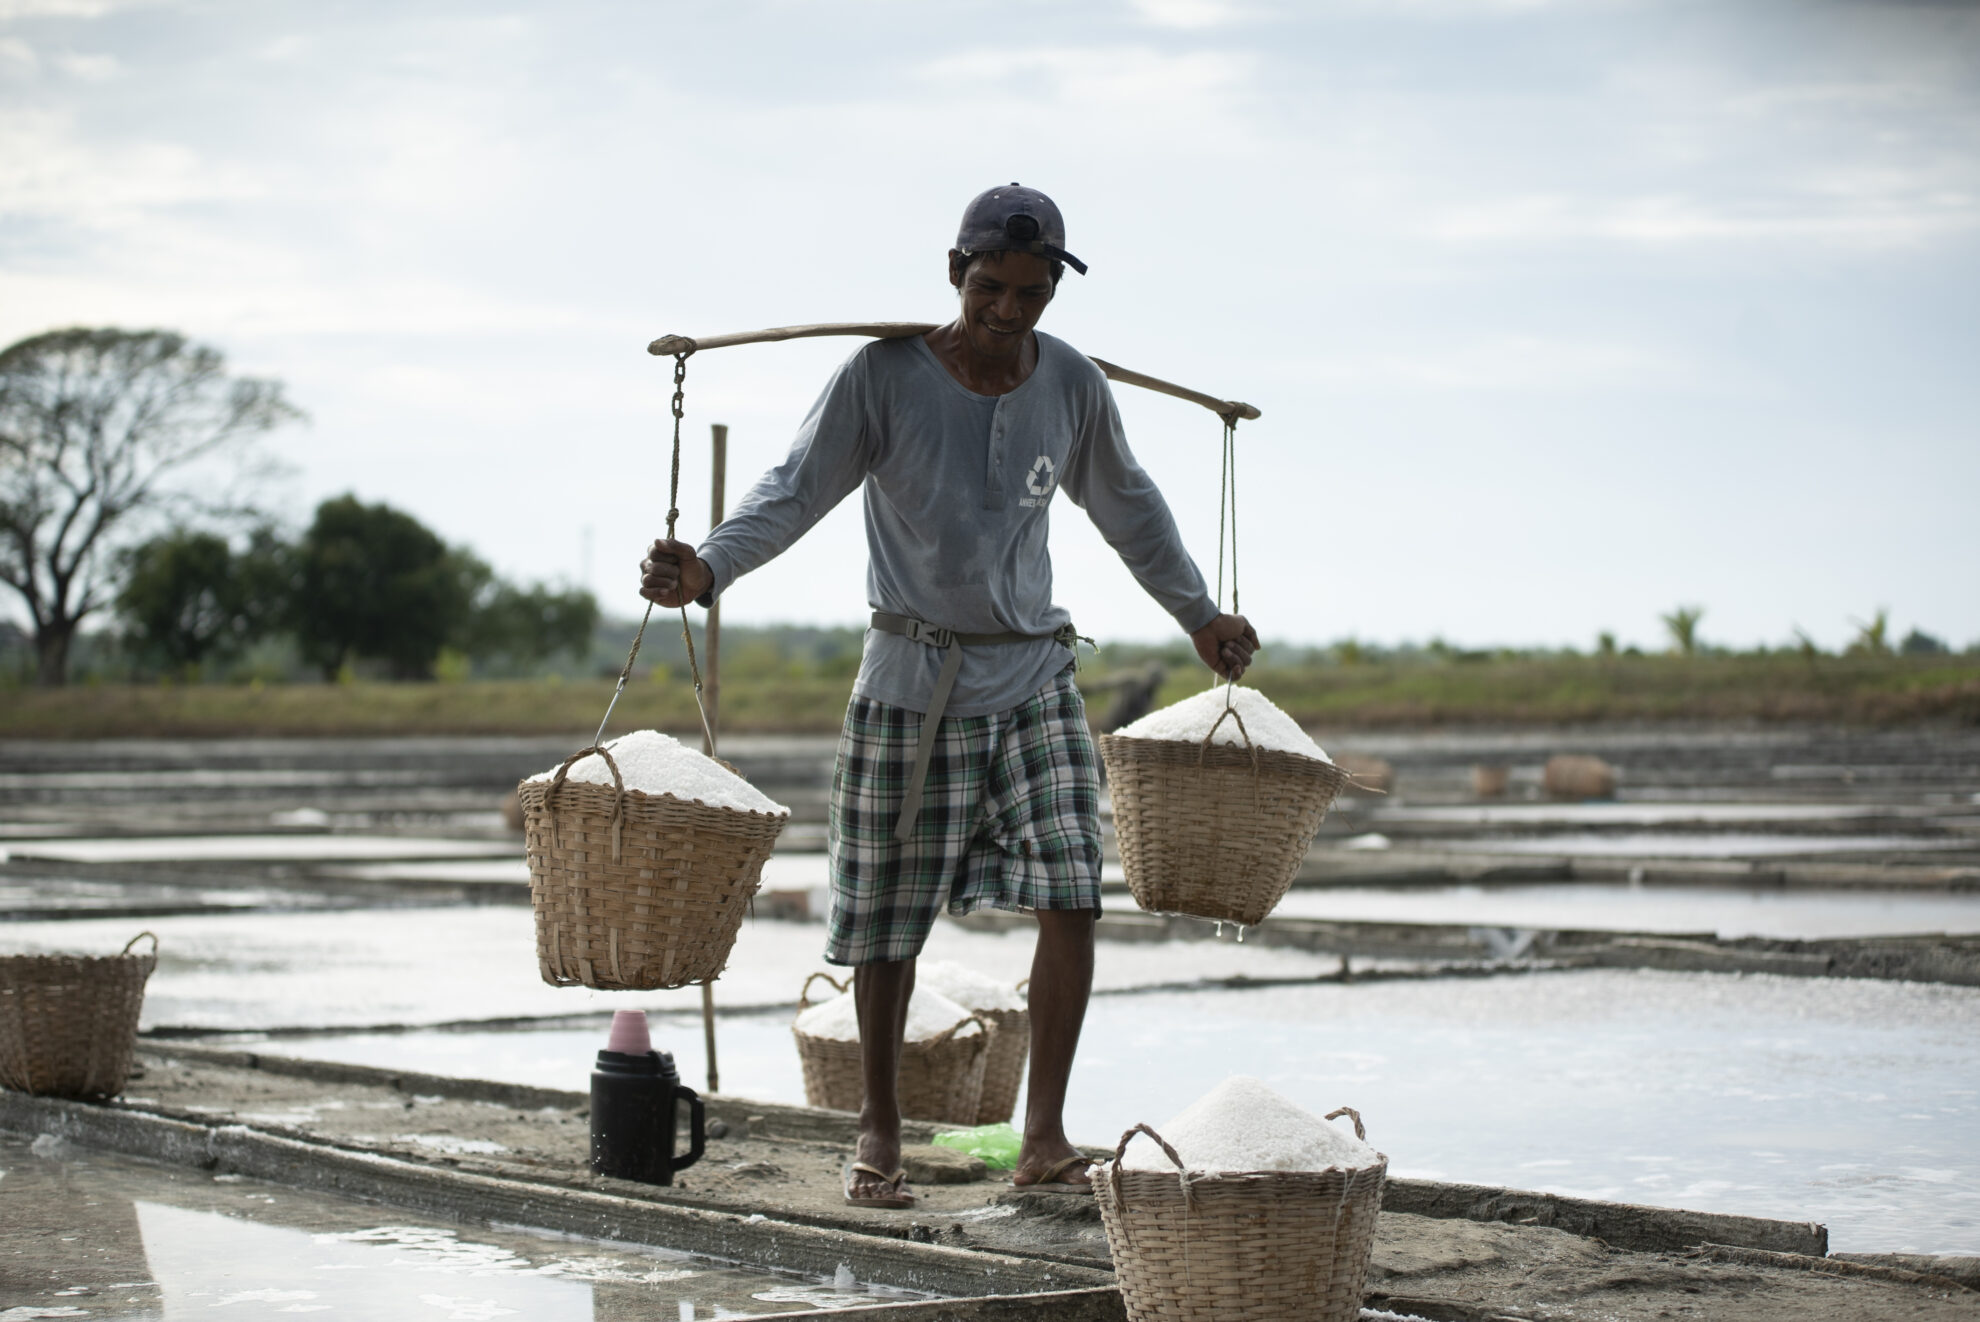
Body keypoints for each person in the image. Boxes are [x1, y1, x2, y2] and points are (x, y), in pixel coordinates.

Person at [640, 183, 1257, 1209]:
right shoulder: (880, 380)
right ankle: (879, 1128)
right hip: (909, 683)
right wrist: (706, 568)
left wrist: (1200, 613)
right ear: (954, 274)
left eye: (1032, 290)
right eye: (990, 287)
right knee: (887, 918)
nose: (1010, 310)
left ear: (1055, 284)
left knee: (1071, 888)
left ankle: (1044, 1131)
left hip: (1031, 673)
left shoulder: (1070, 384)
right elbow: (791, 489)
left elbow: (1130, 508)